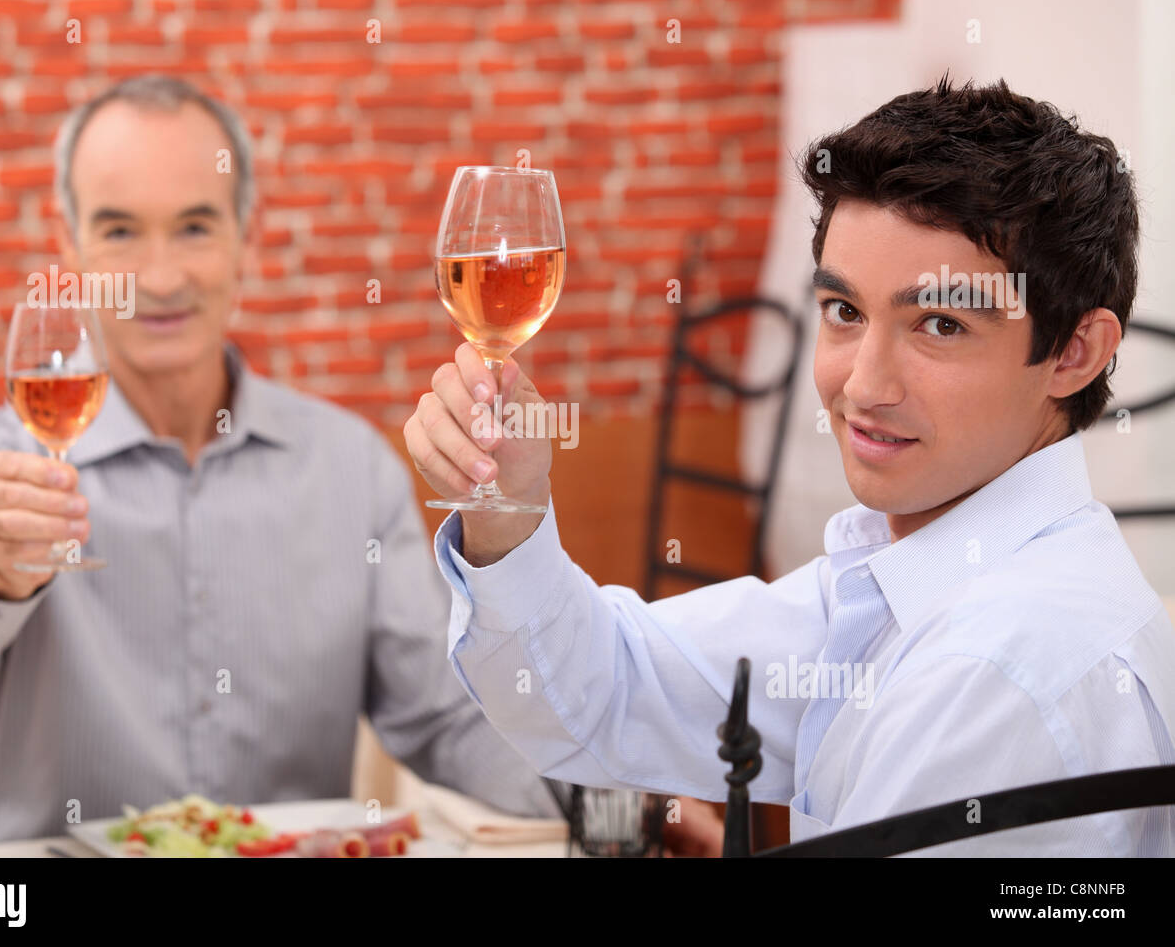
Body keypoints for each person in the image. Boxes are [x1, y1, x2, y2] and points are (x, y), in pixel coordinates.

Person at [404, 75, 1175, 856]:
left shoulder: (1001, 674)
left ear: (1075, 353)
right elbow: (602, 689)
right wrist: (507, 506)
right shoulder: (908, 579)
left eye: (940, 324)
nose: (863, 387)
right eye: (845, 312)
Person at [0, 76, 572, 843]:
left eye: (195, 227)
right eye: (118, 231)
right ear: (69, 247)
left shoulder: (350, 468)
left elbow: (444, 717)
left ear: (245, 236)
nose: (160, 278)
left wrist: (615, 794)